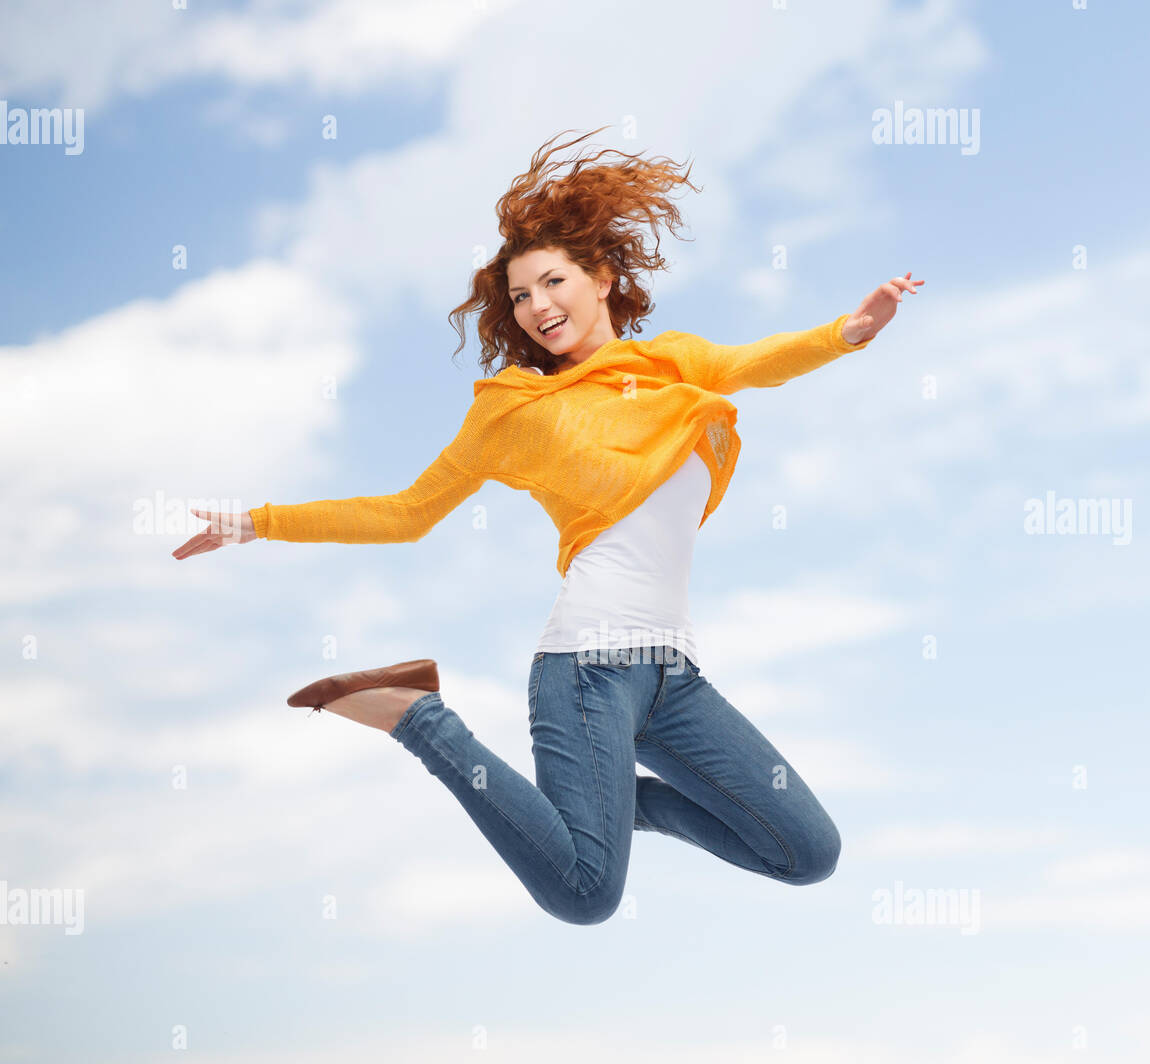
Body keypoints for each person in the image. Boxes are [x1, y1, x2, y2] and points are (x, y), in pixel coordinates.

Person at [172, 125, 923, 925]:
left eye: (551, 282)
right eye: (520, 297)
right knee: (584, 894)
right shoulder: (518, 414)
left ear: (600, 277)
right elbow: (403, 513)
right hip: (586, 669)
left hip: (672, 678)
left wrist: (849, 331)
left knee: (804, 852)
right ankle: (417, 716)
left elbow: (754, 362)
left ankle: (607, 806)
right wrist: (258, 522)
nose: (535, 307)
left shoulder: (669, 363)